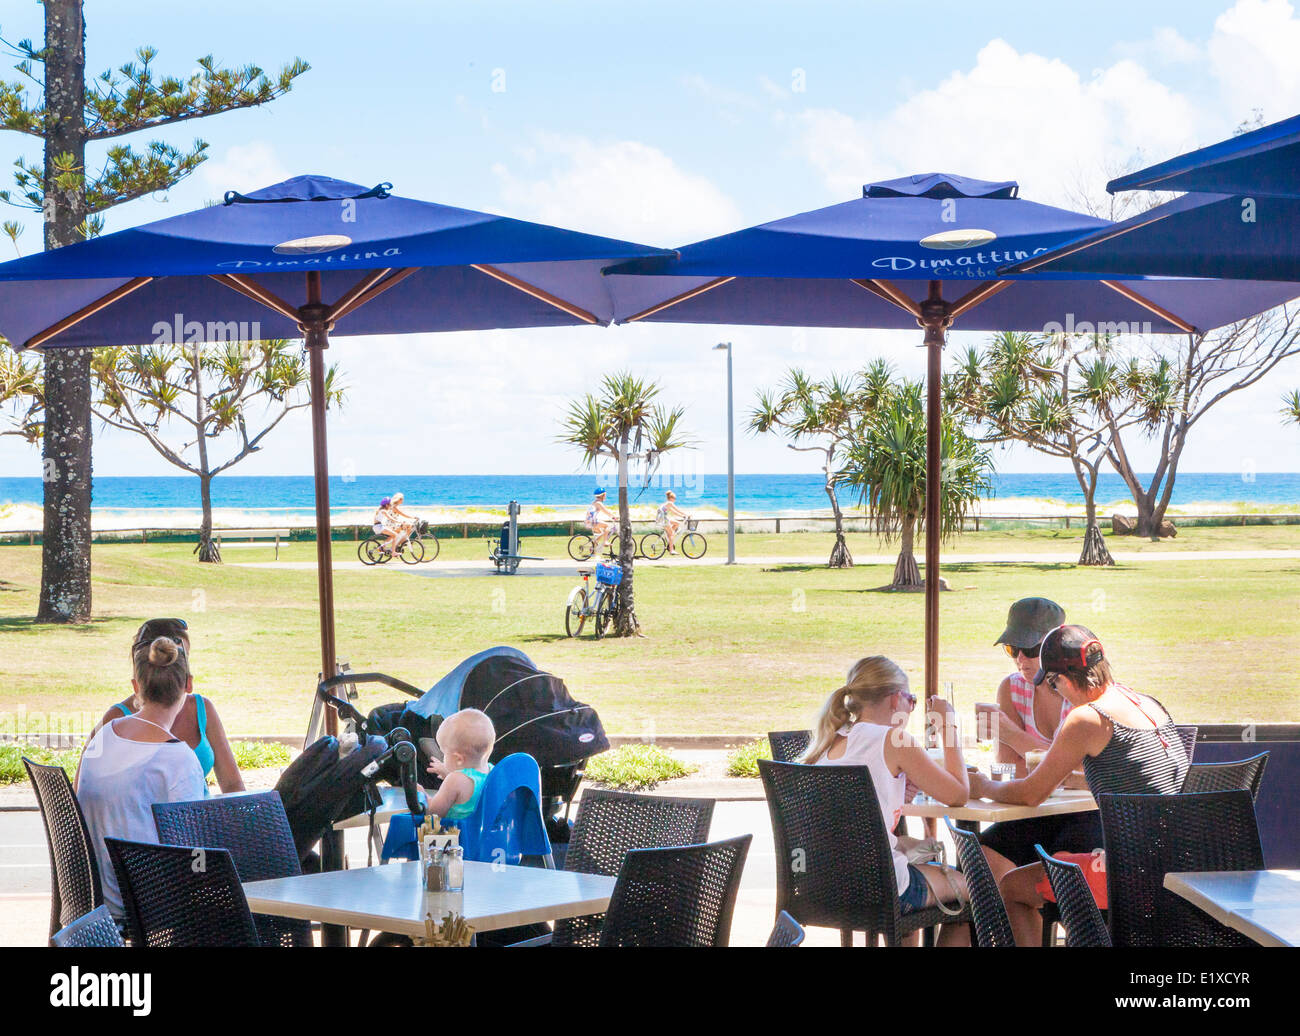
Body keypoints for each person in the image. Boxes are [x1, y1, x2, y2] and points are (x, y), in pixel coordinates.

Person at [967, 625, 1191, 946]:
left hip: (1129, 875)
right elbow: (1128, 772)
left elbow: (1031, 793)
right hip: (1178, 863)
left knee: (1012, 887)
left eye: (1054, 685)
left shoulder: (1086, 718)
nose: (1057, 693)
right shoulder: (1145, 702)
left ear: (1064, 679)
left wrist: (981, 786)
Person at [802, 656, 972, 945]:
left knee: (911, 866)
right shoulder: (894, 739)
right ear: (895, 700)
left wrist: (896, 797)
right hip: (880, 887)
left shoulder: (828, 742)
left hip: (824, 884)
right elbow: (959, 794)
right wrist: (948, 726)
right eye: (912, 700)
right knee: (974, 888)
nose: (911, 708)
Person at [77, 634, 208, 922]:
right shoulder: (177, 758)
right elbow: (195, 854)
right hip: (147, 905)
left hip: (95, 897)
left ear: (136, 687)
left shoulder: (103, 736)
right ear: (189, 684)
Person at [977, 597, 1088, 871]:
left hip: (1084, 814)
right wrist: (1059, 770)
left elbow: (1086, 771)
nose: (1020, 659)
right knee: (981, 855)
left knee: (1056, 866)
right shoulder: (1012, 688)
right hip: (1033, 809)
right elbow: (1009, 767)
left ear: (1056, 647)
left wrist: (1012, 734)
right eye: (1012, 649)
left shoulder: (1081, 690)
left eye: (1030, 649)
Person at [81, 618, 243, 794]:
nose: (176, 670)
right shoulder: (114, 722)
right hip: (153, 820)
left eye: (182, 660)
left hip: (195, 816)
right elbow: (82, 790)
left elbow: (233, 786)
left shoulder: (201, 707)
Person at [424, 708, 495, 823]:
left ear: (458, 759)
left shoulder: (454, 781)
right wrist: (448, 774)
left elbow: (434, 814)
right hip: (482, 838)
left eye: (444, 753)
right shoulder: (493, 772)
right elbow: (469, 787)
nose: (443, 757)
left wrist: (422, 795)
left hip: (456, 838)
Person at [585, 488, 616, 555]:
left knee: (602, 534)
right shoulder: (599, 503)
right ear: (602, 495)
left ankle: (592, 548)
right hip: (592, 521)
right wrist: (613, 516)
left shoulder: (595, 502)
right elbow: (606, 511)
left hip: (590, 521)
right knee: (607, 526)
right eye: (605, 495)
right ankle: (605, 542)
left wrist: (611, 516)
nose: (605, 496)